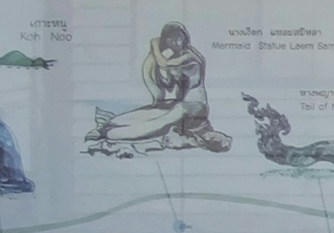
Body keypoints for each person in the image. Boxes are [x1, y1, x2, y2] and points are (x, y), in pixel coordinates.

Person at [87, 23, 231, 154]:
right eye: (169, 40)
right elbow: (159, 74)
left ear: (185, 39)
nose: (174, 42)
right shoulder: (176, 55)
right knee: (145, 114)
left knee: (156, 125)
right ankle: (106, 126)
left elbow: (164, 64)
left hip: (194, 107)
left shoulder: (191, 56)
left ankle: (109, 134)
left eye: (178, 39)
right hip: (181, 106)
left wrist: (154, 45)